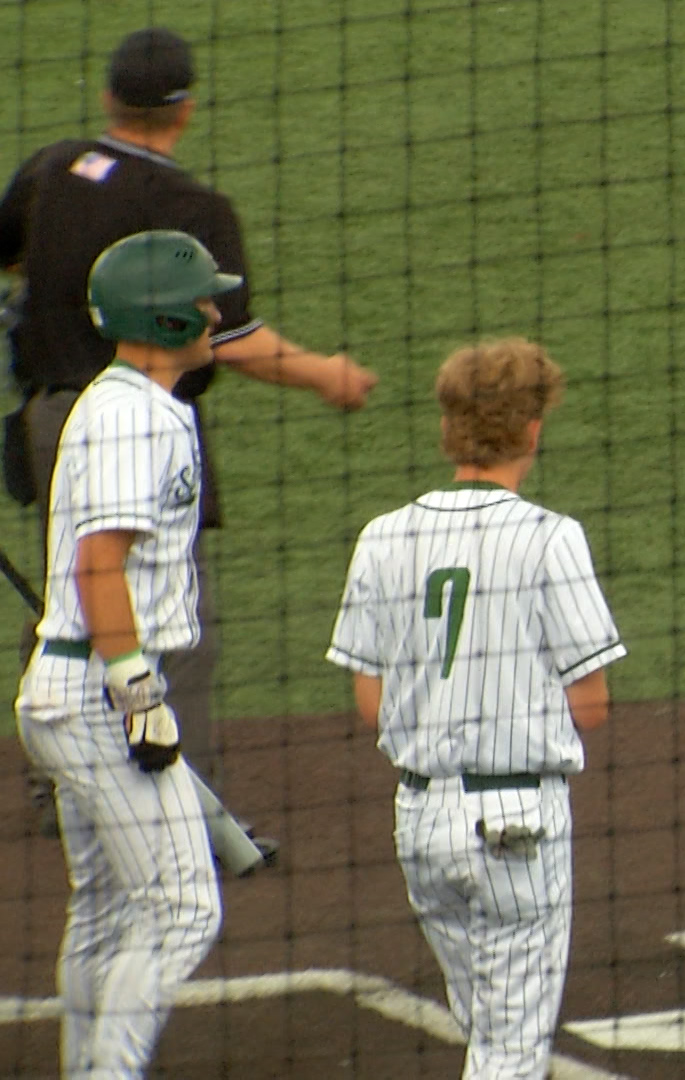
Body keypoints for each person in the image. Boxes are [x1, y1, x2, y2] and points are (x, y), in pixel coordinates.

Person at [0, 25, 378, 845]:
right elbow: (232, 340)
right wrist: (326, 373)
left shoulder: (49, 170)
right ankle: (184, 809)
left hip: (48, 425)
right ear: (186, 109)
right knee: (176, 619)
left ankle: (61, 783)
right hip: (144, 422)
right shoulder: (191, 210)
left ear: (109, 98)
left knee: (76, 593)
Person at [326, 338, 623, 1079]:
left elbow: (372, 701)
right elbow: (591, 703)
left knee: (488, 1024)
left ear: (449, 429)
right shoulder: (551, 539)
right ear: (532, 431)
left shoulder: (382, 537)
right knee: (509, 1050)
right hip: (518, 826)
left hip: (422, 827)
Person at [14, 229, 236, 1078]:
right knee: (183, 909)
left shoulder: (134, 405)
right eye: (207, 300)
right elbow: (98, 560)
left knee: (107, 911)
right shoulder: (131, 419)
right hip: (103, 691)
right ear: (169, 316)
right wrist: (139, 694)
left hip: (78, 685)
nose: (219, 311)